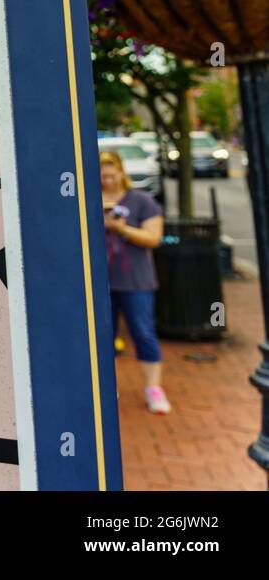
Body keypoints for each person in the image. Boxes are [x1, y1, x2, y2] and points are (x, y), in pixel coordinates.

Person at [99, 149, 169, 414]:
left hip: (136, 281)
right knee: (103, 338)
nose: (107, 181)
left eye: (111, 175)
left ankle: (154, 389)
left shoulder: (142, 202)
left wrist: (121, 228)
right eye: (102, 176)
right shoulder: (88, 200)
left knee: (143, 333)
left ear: (121, 173)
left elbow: (154, 238)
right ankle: (107, 388)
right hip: (101, 284)